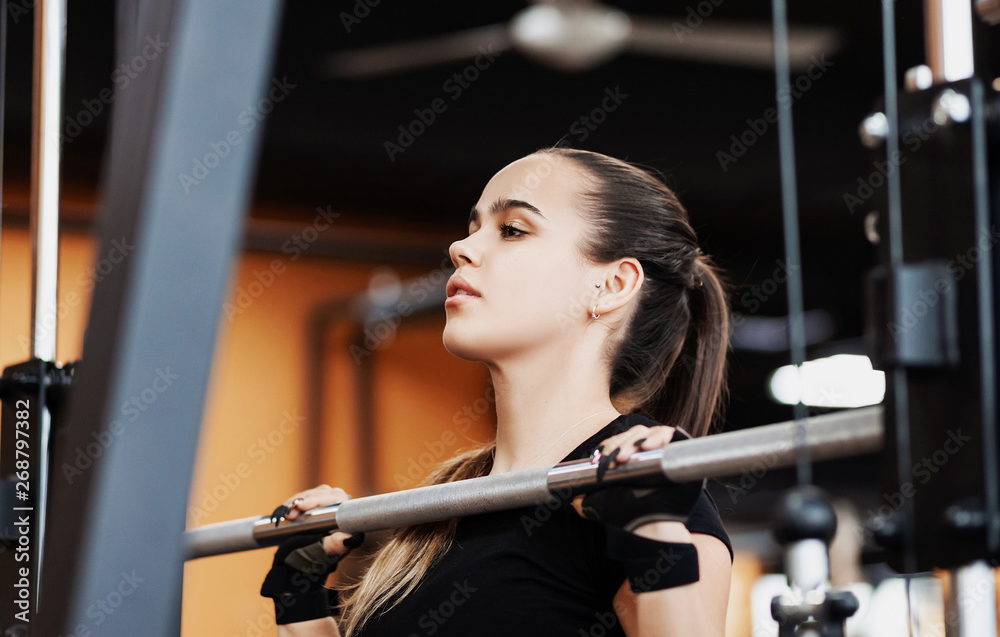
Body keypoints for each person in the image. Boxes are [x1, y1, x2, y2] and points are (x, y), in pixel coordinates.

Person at [259, 147, 734, 636]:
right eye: (473, 227)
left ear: (611, 285)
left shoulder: (639, 490)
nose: (460, 249)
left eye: (512, 229)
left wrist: (654, 534)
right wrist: (301, 599)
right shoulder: (440, 511)